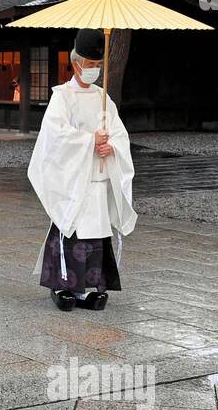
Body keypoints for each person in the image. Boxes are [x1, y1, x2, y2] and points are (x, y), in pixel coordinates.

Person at [27, 28, 137, 312]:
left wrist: (110, 147)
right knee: (72, 227)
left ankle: (94, 284)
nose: (94, 71)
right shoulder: (61, 97)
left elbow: (119, 134)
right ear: (76, 63)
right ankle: (64, 284)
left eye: (98, 66)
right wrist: (89, 141)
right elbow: (55, 137)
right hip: (74, 182)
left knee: (97, 232)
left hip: (98, 180)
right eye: (90, 66)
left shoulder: (104, 99)